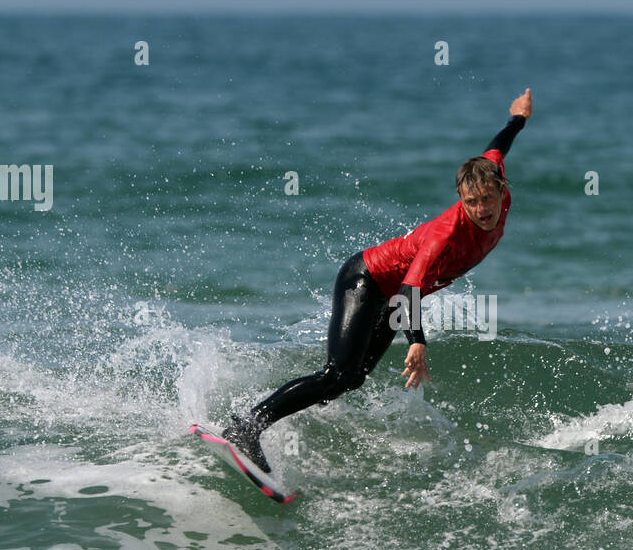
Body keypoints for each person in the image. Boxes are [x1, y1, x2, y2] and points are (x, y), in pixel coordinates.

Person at [225, 88, 533, 473]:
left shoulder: (493, 178)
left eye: (487, 198)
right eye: (471, 202)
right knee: (337, 374)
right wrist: (417, 342)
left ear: (501, 188)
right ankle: (247, 427)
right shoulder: (444, 236)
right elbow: (409, 289)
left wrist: (518, 117)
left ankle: (292, 416)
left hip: (391, 298)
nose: (481, 209)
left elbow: (498, 146)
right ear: (461, 197)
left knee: (352, 379)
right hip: (368, 281)